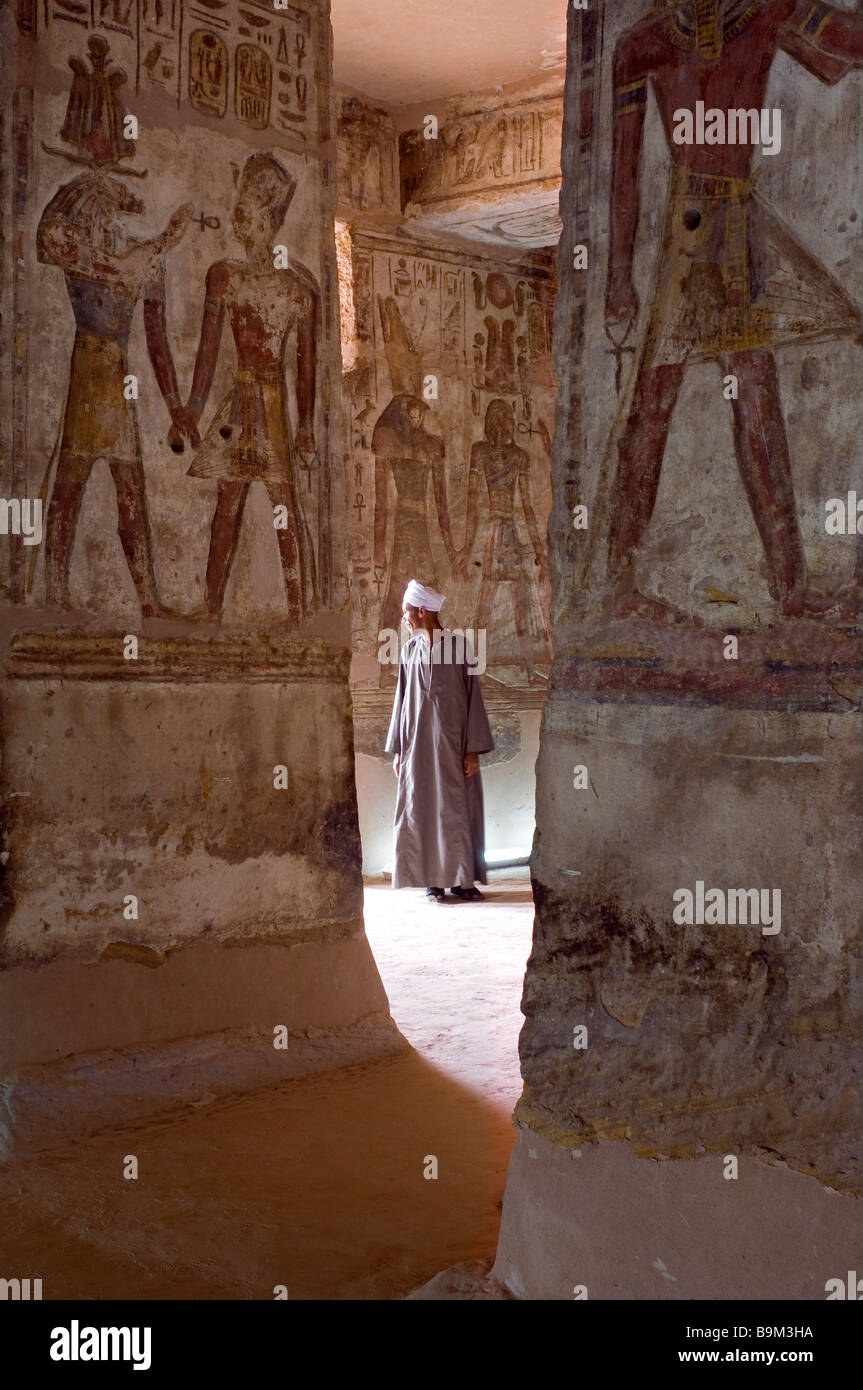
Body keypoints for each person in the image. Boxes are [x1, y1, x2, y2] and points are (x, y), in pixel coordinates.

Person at [385, 580, 494, 902]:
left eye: (406, 611)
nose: (403, 618)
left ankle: (463, 882)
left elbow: (474, 699)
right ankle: (432, 880)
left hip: (453, 746)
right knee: (422, 808)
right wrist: (398, 751)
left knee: (457, 810)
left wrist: (472, 749)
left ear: (421, 610)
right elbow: (401, 701)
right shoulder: (409, 650)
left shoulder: (460, 648)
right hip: (417, 747)